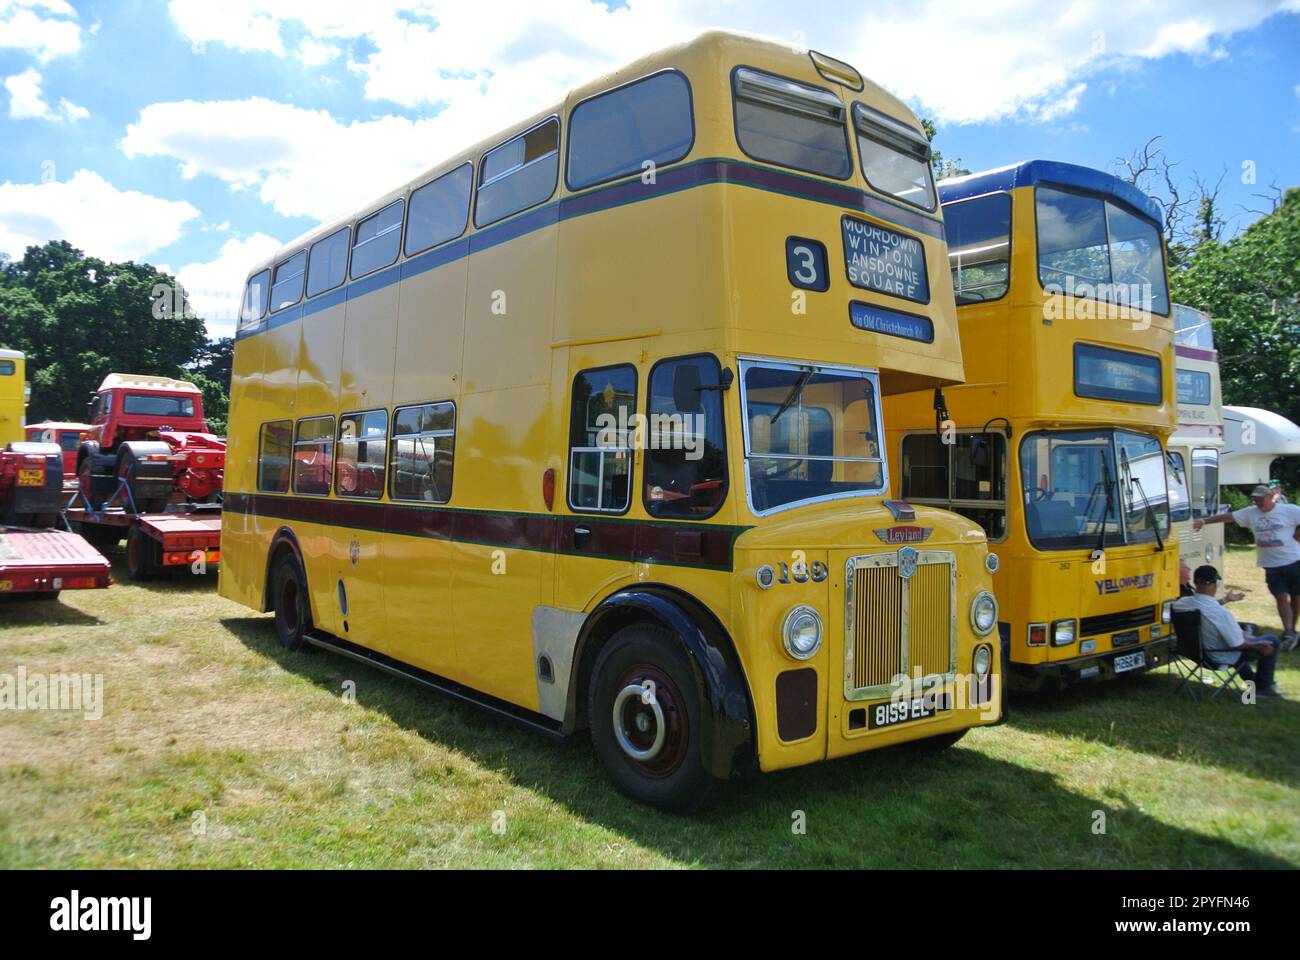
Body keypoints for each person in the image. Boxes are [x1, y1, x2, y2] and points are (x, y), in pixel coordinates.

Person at [1195, 484, 1300, 651]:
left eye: (1260, 499)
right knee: (1280, 597)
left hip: (1293, 560)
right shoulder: (1251, 513)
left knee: (1296, 597)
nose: (1258, 503)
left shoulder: (1289, 510)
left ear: (1270, 497)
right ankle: (1288, 631)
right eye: (1255, 500)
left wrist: (1298, 535)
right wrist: (1203, 521)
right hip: (1270, 564)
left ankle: (1292, 630)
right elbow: (1226, 517)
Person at [1172, 565, 1281, 697]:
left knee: (1241, 632)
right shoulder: (1221, 614)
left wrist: (1225, 600)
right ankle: (1263, 687)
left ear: (1195, 582)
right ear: (1215, 584)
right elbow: (1237, 645)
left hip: (1192, 653)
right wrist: (1258, 644)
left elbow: (1204, 605)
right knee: (1272, 640)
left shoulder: (1181, 604)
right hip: (1218, 657)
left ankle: (1252, 680)